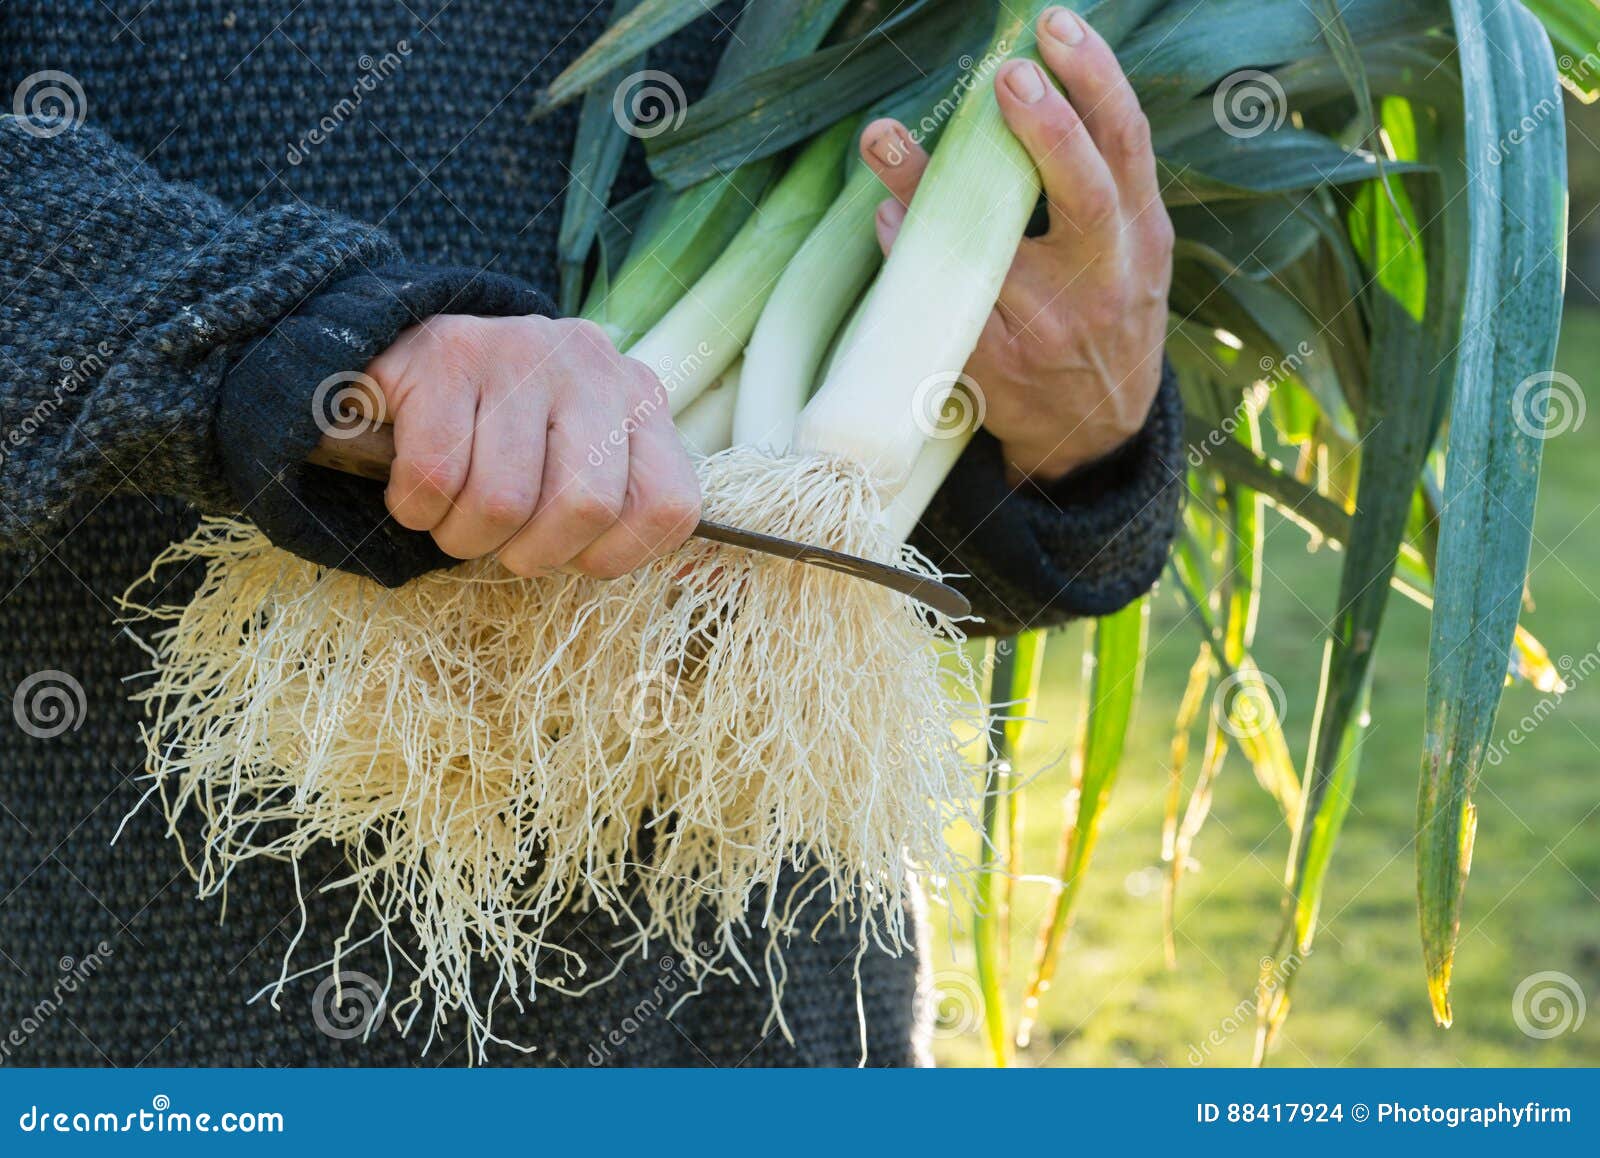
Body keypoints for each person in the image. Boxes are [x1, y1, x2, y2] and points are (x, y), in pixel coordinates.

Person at [0, 3, 1180, 1066]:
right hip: (133, 1013)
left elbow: (994, 571)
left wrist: (1079, 435)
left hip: (761, 1028)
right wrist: (318, 340)